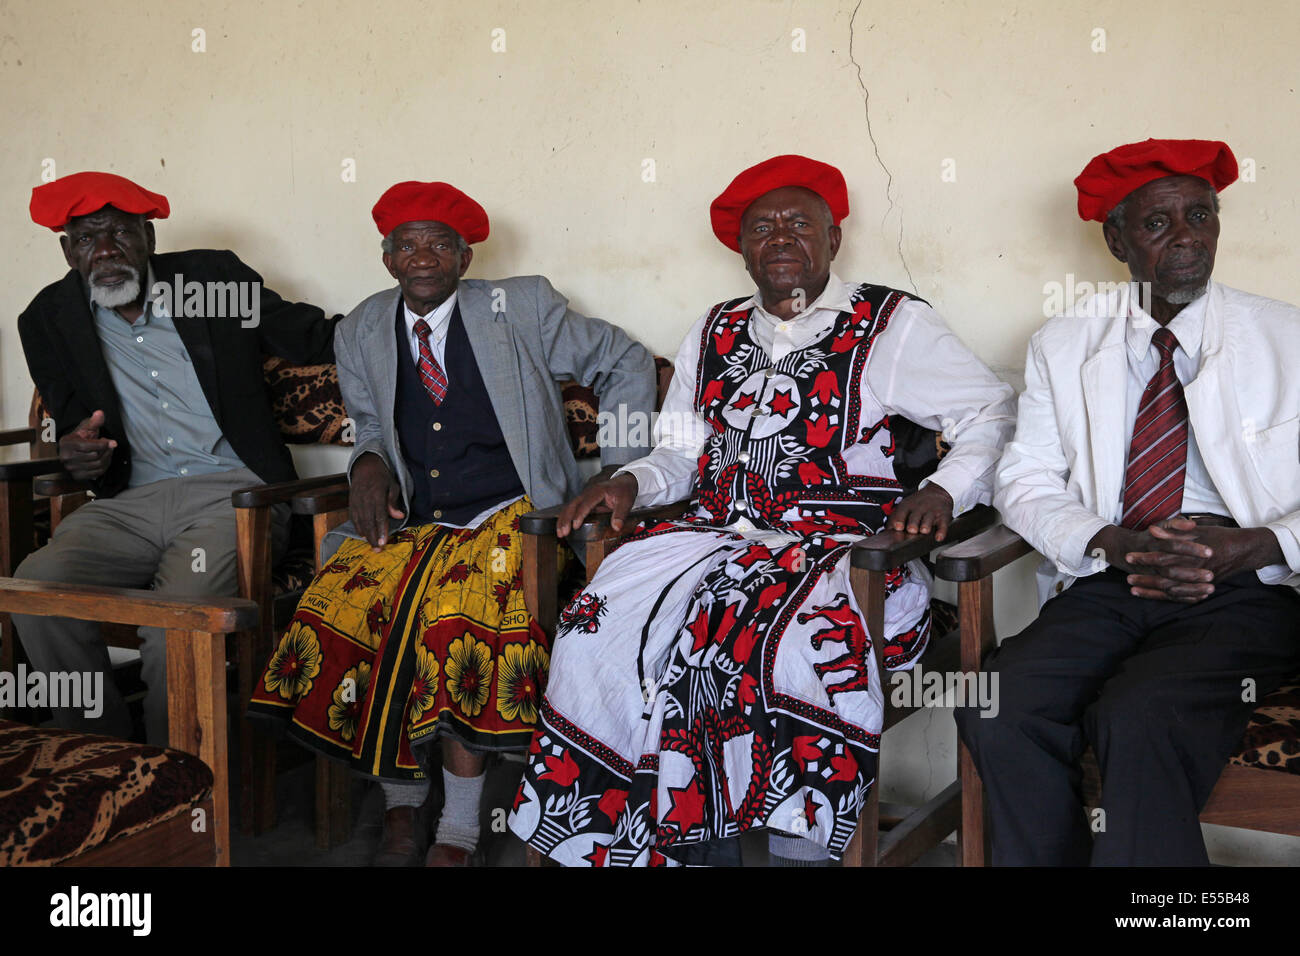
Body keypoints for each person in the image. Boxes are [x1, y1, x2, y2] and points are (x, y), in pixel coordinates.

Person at [508, 155, 1017, 866]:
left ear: (833, 240)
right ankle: (654, 841)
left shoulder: (890, 323)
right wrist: (629, 483)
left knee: (763, 646)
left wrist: (944, 489)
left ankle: (794, 850)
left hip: (849, 556)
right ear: (741, 249)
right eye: (762, 228)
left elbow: (990, 409)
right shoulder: (713, 330)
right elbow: (679, 455)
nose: (780, 238)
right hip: (710, 540)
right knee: (597, 627)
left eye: (798, 224)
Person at [249, 180, 657, 866]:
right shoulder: (363, 327)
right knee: (343, 600)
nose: (422, 258)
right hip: (417, 519)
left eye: (440, 244)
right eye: (406, 245)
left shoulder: (519, 304)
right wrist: (367, 465)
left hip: (515, 516)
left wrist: (616, 474)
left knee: (458, 614)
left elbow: (626, 360)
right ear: (387, 260)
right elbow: (373, 427)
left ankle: (459, 829)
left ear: (465, 259)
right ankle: (402, 808)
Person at [956, 138, 1300, 866]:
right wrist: (1112, 543)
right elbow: (1025, 480)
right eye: (1157, 223)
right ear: (1115, 239)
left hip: (1247, 586)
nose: (1186, 239)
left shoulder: (1288, 337)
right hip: (1117, 573)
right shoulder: (1065, 342)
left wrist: (1261, 546)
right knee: (997, 702)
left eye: (1199, 216)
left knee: (1140, 716)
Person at [14, 170, 340, 745]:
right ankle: (104, 757)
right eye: (87, 239)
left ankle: (178, 782)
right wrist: (77, 453)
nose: (106, 252)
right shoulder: (47, 318)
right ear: (68, 251)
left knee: (176, 620)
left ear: (149, 238)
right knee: (37, 589)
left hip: (234, 496)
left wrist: (417, 318)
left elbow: (313, 337)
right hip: (129, 503)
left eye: (119, 233)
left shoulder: (211, 281)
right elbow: (72, 426)